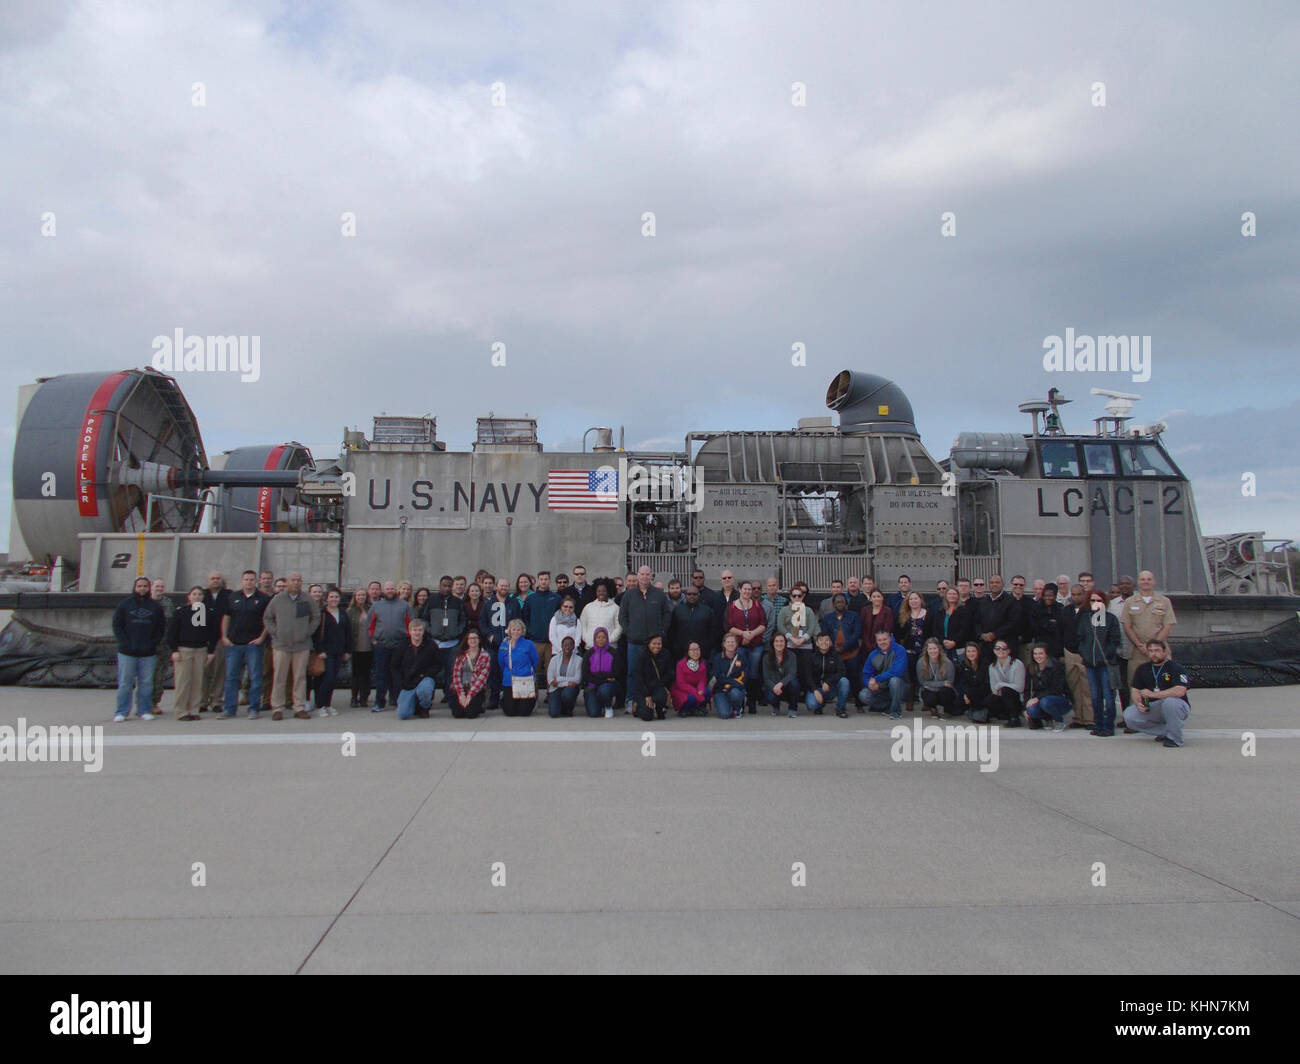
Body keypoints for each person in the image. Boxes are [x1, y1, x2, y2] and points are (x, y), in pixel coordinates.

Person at [263, 572, 321, 720]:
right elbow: (268, 618)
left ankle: (299, 707)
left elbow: (316, 617)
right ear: (287, 582)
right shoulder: (278, 599)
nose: (296, 583)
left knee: (300, 677)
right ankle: (277, 708)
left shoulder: (307, 599)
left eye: (299, 580)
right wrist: (276, 633)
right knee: (279, 677)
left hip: (301, 645)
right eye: (293, 580)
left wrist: (307, 632)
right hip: (281, 645)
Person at [112, 576, 167, 722]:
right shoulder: (125, 604)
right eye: (139, 586)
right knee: (125, 682)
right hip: (127, 652)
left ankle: (144, 710)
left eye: (145, 586)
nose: (142, 589)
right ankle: (122, 711)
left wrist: (153, 643)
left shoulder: (155, 607)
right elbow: (117, 626)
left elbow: (160, 628)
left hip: (148, 652)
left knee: (147, 682)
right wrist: (125, 642)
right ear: (135, 587)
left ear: (149, 588)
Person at [619, 566, 672, 714]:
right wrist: (629, 632)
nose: (644, 577)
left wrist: (661, 632)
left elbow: (667, 614)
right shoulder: (629, 595)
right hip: (634, 642)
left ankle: (658, 700)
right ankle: (631, 700)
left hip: (654, 644)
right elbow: (622, 616)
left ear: (651, 576)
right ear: (637, 576)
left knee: (655, 673)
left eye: (647, 574)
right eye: (642, 574)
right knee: (632, 672)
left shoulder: (659, 595)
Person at [1123, 640, 1192, 748]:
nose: (1153, 654)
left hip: (1178, 706)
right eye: (1150, 651)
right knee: (1129, 715)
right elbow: (1135, 690)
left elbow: (1180, 691)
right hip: (1153, 707)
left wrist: (1153, 695)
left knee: (1170, 702)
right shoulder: (1142, 669)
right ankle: (1166, 731)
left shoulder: (1176, 668)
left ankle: (1175, 739)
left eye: (1157, 650)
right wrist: (1138, 703)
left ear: (1164, 652)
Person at [221, 570, 270, 718]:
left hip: (253, 645)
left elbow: (268, 620)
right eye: (246, 579)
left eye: (251, 579)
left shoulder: (263, 598)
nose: (249, 582)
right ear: (242, 581)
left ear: (256, 581)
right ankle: (229, 709)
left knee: (255, 677)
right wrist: (224, 636)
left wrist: (262, 637)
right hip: (234, 644)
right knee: (231, 677)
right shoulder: (233, 597)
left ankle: (253, 708)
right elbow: (226, 617)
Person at [168, 585, 217, 721]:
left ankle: (194, 709)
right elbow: (172, 633)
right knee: (183, 681)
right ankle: (181, 711)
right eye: (194, 594)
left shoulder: (208, 612)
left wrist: (211, 651)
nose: (197, 597)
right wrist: (174, 650)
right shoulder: (181, 612)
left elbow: (213, 633)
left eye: (200, 594)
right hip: (184, 650)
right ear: (189, 597)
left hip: (201, 650)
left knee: (197, 681)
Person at [1079, 590, 1122, 736]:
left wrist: (1105, 656)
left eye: (1099, 600)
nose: (1096, 603)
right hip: (1090, 664)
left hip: (1106, 664)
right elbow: (1081, 639)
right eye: (1092, 600)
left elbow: (1115, 641)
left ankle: (1109, 726)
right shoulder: (1085, 619)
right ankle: (1098, 724)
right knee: (1095, 696)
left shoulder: (1111, 619)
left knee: (1108, 696)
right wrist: (1085, 655)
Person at [369, 581, 413, 711]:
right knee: (381, 675)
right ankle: (379, 702)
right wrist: (373, 640)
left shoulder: (404, 606)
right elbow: (370, 625)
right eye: (387, 588)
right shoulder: (376, 606)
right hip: (381, 645)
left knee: (398, 674)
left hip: (400, 645)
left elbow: (411, 624)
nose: (389, 590)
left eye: (392, 588)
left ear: (395, 590)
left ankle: (398, 700)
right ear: (383, 590)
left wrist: (408, 641)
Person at [1122, 571, 1178, 673]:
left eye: (1149, 579)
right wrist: (1140, 645)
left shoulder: (1164, 601)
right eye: (1143, 579)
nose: (1146, 582)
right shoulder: (1129, 602)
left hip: (1160, 649)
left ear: (1154, 582)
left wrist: (1153, 646)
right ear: (1138, 582)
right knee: (1137, 682)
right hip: (1138, 651)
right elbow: (1127, 626)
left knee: (1163, 680)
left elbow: (1168, 625)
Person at [726, 581, 767, 713]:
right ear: (739, 590)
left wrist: (752, 634)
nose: (747, 592)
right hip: (740, 645)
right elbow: (728, 626)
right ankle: (740, 702)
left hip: (756, 645)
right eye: (745, 589)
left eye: (749, 589)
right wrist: (743, 634)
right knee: (741, 673)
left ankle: (752, 701)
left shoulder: (757, 605)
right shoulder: (732, 606)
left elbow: (763, 624)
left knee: (753, 673)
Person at [1060, 583, 1095, 727]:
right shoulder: (1065, 611)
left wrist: (1087, 652)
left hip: (1085, 654)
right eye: (1073, 594)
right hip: (1069, 652)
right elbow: (1060, 632)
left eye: (1078, 594)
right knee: (1074, 687)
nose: (1075, 597)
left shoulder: (1091, 611)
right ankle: (1078, 718)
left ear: (1084, 594)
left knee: (1087, 688)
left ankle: (1090, 719)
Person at [427, 579, 467, 703]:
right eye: (444, 586)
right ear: (440, 586)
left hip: (452, 643)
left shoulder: (458, 602)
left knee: (451, 672)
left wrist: (457, 632)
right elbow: (423, 618)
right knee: (431, 672)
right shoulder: (431, 600)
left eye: (449, 586)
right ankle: (429, 698)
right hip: (435, 643)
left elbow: (463, 620)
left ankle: (450, 698)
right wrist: (431, 631)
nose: (447, 588)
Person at [313, 588, 350, 717]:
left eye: (336, 597)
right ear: (326, 599)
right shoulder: (322, 613)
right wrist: (320, 650)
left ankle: (328, 704)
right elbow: (316, 635)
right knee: (327, 679)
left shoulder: (343, 613)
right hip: (326, 652)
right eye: (332, 597)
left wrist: (347, 650)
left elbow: (347, 633)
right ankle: (320, 705)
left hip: (339, 651)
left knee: (333, 679)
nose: (334, 599)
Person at [394, 619, 441, 719]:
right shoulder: (402, 646)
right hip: (407, 682)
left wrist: (426, 675)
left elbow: (437, 664)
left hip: (424, 679)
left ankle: (424, 707)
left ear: (423, 631)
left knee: (425, 689)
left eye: (420, 630)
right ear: (409, 631)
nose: (417, 633)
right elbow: (394, 666)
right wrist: (401, 682)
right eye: (414, 630)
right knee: (403, 715)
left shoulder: (431, 645)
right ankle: (414, 705)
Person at [894, 591, 932, 710]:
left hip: (925, 649)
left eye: (916, 599)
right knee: (911, 675)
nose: (913, 601)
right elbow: (898, 632)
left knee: (925, 673)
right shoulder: (904, 615)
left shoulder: (929, 614)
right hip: (908, 649)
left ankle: (927, 701)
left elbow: (932, 631)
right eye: (911, 599)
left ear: (921, 600)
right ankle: (911, 698)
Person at [197, 571, 229, 712]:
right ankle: (202, 701)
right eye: (212, 578)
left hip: (221, 638)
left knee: (219, 671)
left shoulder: (228, 595)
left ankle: (216, 700)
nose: (215, 581)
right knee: (203, 671)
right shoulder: (201, 595)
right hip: (203, 639)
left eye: (218, 578)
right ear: (208, 581)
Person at [480, 576, 513, 710]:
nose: (503, 588)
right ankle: (493, 698)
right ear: (496, 587)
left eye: (506, 586)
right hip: (493, 644)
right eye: (501, 586)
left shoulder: (513, 603)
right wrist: (489, 635)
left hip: (509, 644)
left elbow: (518, 620)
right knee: (493, 671)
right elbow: (482, 621)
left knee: (507, 671)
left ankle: (506, 697)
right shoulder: (488, 604)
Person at [523, 570, 562, 682]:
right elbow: (525, 618)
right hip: (535, 641)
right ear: (537, 581)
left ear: (549, 581)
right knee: (533, 670)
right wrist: (530, 632)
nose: (544, 581)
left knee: (551, 672)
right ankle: (532, 696)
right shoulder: (531, 599)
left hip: (552, 642)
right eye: (541, 579)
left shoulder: (556, 598)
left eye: (546, 579)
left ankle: (551, 696)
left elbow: (560, 617)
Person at [1024, 644, 1072, 730]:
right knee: (1031, 710)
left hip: (1060, 699)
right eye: (1035, 654)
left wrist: (1038, 698)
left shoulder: (1056, 666)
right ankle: (1048, 719)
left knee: (1045, 702)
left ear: (1047, 654)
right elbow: (1027, 689)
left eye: (1041, 653)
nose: (1038, 656)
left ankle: (1059, 721)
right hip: (1041, 699)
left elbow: (1057, 689)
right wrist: (1025, 707)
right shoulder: (1031, 667)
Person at [859, 630, 907, 718]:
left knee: (894, 680)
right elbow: (866, 674)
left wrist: (876, 679)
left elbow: (897, 671)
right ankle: (887, 706)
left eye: (885, 639)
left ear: (890, 639)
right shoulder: (873, 655)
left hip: (900, 686)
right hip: (882, 687)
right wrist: (869, 683)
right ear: (876, 641)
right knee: (863, 695)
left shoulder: (899, 650)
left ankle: (896, 712)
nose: (882, 642)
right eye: (879, 640)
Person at [801, 631, 850, 717]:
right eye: (821, 640)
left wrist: (828, 682)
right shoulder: (811, 657)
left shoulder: (836, 656)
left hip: (830, 688)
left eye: (827, 640)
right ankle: (819, 705)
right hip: (816, 689)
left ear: (831, 643)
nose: (824, 642)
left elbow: (842, 671)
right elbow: (807, 677)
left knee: (844, 681)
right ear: (816, 643)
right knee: (812, 705)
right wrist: (815, 690)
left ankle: (840, 708)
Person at [498, 618, 540, 716]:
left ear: (522, 631)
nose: (516, 632)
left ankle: (532, 700)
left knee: (524, 712)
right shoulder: (504, 645)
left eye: (518, 630)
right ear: (509, 631)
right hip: (509, 680)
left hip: (524, 679)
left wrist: (524, 671)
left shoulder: (529, 644)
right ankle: (503, 697)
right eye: (513, 629)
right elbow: (501, 663)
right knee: (510, 712)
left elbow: (535, 661)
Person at [979, 641, 1025, 726]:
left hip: (1016, 698)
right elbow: (994, 689)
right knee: (989, 700)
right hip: (1001, 696)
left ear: (1009, 651)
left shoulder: (1017, 664)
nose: (1001, 650)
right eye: (997, 648)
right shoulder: (992, 666)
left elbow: (1020, 687)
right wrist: (999, 688)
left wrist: (1001, 685)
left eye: (1004, 648)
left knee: (1006, 690)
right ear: (994, 650)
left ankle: (1014, 718)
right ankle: (1003, 715)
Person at [821, 593, 862, 687]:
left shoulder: (854, 616)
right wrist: (833, 647)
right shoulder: (827, 618)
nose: (840, 604)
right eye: (837, 602)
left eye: (842, 602)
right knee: (837, 677)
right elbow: (825, 634)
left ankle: (856, 699)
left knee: (854, 678)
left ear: (846, 603)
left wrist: (844, 646)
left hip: (852, 652)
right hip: (834, 653)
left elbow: (856, 634)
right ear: (833, 604)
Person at [976, 574, 1018, 665]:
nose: (994, 584)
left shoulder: (1011, 601)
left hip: (1004, 646)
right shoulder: (983, 602)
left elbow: (1013, 623)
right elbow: (977, 621)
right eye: (992, 582)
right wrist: (981, 635)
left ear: (1002, 585)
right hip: (986, 646)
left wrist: (994, 634)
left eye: (997, 582)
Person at [449, 629, 491, 719]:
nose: (473, 640)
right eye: (470, 638)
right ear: (467, 641)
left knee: (471, 714)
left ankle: (480, 705)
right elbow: (456, 676)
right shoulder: (461, 655)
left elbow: (482, 679)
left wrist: (470, 695)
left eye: (475, 638)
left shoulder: (485, 656)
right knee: (458, 714)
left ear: (479, 640)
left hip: (475, 690)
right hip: (461, 689)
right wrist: (461, 694)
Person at [1109, 574, 1136, 711]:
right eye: (1122, 584)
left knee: (1139, 684)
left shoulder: (1139, 601)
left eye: (1128, 583)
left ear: (1133, 586)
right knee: (1123, 685)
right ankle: (1127, 714)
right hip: (1119, 651)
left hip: (1136, 650)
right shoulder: (1112, 605)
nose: (1124, 586)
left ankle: (1143, 712)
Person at [150, 577, 175, 713]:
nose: (159, 590)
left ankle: (154, 702)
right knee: (144, 676)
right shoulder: (145, 602)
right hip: (147, 645)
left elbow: (171, 621)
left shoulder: (168, 603)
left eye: (161, 587)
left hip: (163, 645)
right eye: (156, 587)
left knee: (159, 675)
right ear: (151, 587)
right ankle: (142, 703)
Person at [670, 585, 716, 660]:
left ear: (699, 595)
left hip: (702, 650)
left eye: (694, 594)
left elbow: (712, 630)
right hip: (681, 651)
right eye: (689, 594)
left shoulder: (707, 610)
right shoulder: (678, 610)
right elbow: (673, 630)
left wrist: (708, 646)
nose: (692, 596)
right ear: (685, 595)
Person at [582, 627, 619, 718]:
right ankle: (598, 705)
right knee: (593, 713)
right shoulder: (589, 653)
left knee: (604, 690)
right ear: (594, 639)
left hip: (607, 685)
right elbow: (585, 674)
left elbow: (616, 672)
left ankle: (608, 706)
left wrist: (599, 678)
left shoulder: (613, 652)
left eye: (603, 637)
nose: (601, 640)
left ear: (607, 639)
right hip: (592, 685)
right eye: (598, 637)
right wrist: (604, 678)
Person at [916, 637, 957, 717]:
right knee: (928, 695)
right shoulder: (921, 662)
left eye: (934, 648)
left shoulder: (947, 662)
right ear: (926, 650)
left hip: (943, 691)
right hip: (932, 690)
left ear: (939, 649)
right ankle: (933, 707)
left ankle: (945, 708)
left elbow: (950, 683)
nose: (933, 651)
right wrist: (942, 683)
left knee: (945, 692)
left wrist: (930, 685)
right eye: (930, 649)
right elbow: (922, 682)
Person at [761, 632, 800, 717]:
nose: (779, 643)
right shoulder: (766, 658)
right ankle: (775, 707)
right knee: (769, 695)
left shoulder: (792, 656)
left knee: (795, 683)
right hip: (773, 687)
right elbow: (766, 678)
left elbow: (792, 674)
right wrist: (774, 686)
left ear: (785, 643)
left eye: (781, 641)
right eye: (776, 641)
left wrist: (780, 684)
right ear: (772, 643)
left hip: (786, 686)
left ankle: (792, 709)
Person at [709, 633, 747, 719]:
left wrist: (730, 685)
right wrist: (733, 681)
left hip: (735, 689)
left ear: (736, 644)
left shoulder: (742, 658)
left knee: (735, 694)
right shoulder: (717, 658)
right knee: (724, 714)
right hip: (720, 690)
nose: (730, 644)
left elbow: (745, 677)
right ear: (724, 644)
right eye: (728, 642)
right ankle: (727, 705)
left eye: (733, 642)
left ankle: (738, 707)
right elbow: (718, 677)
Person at [636, 634, 674, 721]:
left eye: (659, 644)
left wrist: (660, 684)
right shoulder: (642, 655)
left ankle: (659, 709)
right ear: (649, 644)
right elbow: (638, 677)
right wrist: (647, 695)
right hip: (643, 689)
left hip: (658, 686)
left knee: (661, 696)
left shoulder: (666, 654)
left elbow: (669, 673)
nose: (656, 646)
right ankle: (638, 707)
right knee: (647, 716)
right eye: (654, 643)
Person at [776, 584, 819, 658]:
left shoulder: (808, 610)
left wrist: (803, 639)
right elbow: (780, 626)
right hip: (789, 645)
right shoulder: (784, 610)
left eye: (799, 596)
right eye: (794, 596)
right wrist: (791, 638)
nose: (796, 598)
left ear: (802, 597)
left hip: (806, 646)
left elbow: (812, 627)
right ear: (790, 597)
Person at [547, 635, 585, 718]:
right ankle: (558, 706)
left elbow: (577, 679)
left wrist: (559, 680)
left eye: (570, 645)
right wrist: (567, 682)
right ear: (561, 646)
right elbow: (550, 678)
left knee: (567, 694)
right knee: (553, 713)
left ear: (574, 647)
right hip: (555, 688)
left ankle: (568, 709)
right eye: (565, 645)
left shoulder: (579, 660)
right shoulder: (554, 659)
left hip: (569, 689)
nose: (567, 647)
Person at [347, 587, 373, 708]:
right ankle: (354, 697)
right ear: (355, 597)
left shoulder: (371, 609)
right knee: (356, 674)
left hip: (369, 646)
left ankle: (364, 698)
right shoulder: (350, 611)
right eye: (358, 595)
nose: (361, 597)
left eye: (363, 595)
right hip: (356, 647)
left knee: (366, 674)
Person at [1030, 582, 1068, 659]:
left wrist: (1044, 623)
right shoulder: (1035, 607)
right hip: (1040, 645)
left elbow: (1062, 627)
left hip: (1056, 646)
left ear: (1055, 596)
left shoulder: (1060, 608)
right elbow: (1034, 626)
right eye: (1045, 596)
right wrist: (1049, 623)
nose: (1047, 598)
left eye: (1050, 596)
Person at [672, 641, 711, 717]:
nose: (695, 652)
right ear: (687, 652)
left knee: (706, 692)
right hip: (683, 689)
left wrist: (700, 689)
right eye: (692, 650)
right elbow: (681, 684)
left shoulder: (703, 662)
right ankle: (684, 709)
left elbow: (703, 679)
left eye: (697, 649)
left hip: (696, 687)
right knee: (691, 698)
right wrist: (696, 692)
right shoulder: (681, 664)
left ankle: (696, 708)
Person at [956, 643, 991, 718]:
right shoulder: (963, 665)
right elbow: (963, 682)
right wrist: (966, 694)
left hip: (982, 693)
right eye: (968, 651)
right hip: (969, 693)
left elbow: (986, 684)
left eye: (973, 651)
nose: (971, 653)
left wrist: (970, 694)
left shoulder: (985, 664)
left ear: (978, 652)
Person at [937, 588, 970, 664]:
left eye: (954, 594)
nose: (952, 596)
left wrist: (954, 642)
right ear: (946, 596)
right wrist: (942, 640)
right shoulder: (940, 611)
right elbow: (935, 629)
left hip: (959, 647)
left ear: (958, 596)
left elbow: (965, 629)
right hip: (943, 647)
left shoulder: (963, 610)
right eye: (949, 594)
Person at [548, 597, 582, 661]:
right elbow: (552, 637)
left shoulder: (577, 621)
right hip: (557, 653)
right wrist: (561, 650)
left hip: (573, 654)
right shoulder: (554, 619)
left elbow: (578, 638)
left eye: (570, 607)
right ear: (561, 607)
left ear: (574, 608)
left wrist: (571, 651)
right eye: (565, 606)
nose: (568, 609)